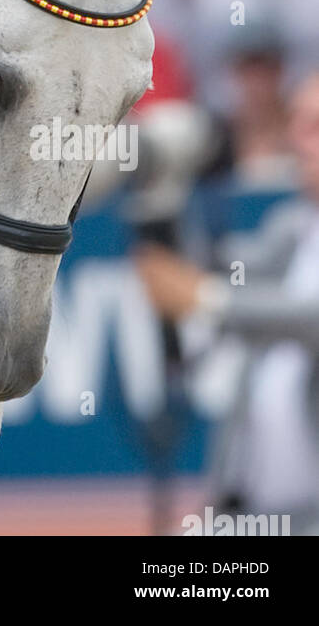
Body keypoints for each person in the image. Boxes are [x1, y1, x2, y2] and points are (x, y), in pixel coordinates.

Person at [135, 70, 319, 534]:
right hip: (251, 510)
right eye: (295, 124)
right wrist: (163, 196)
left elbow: (306, 319)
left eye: (314, 128)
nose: (297, 141)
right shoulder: (293, 224)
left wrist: (204, 299)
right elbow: (213, 265)